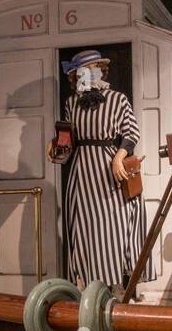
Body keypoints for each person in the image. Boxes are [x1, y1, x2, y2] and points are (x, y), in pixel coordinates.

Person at [58, 50, 148, 292]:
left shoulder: (117, 99)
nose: (92, 73)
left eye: (96, 68)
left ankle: (115, 285)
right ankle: (89, 287)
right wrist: (57, 147)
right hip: (82, 171)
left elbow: (131, 133)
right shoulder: (71, 103)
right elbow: (68, 139)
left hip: (108, 170)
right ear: (77, 75)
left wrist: (119, 157)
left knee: (113, 226)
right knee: (84, 228)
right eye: (86, 69)